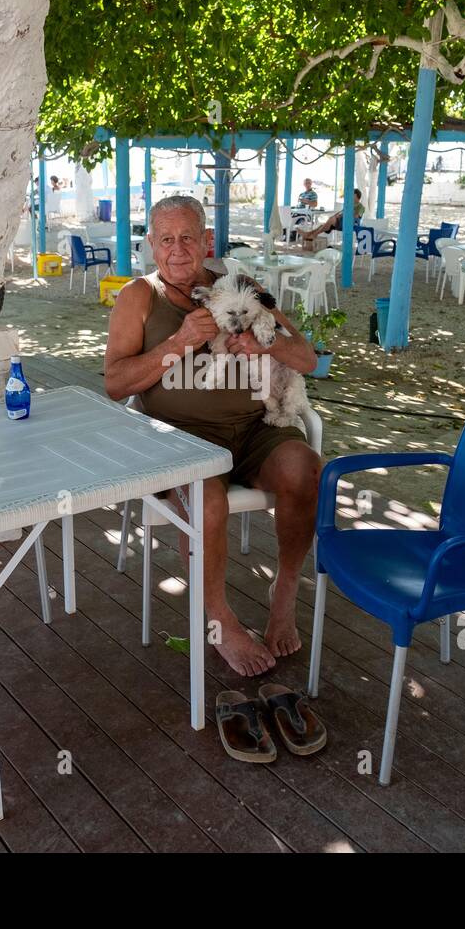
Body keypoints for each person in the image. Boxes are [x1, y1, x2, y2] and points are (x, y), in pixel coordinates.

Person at [104, 195, 322, 677]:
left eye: (187, 237)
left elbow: (306, 359)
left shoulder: (239, 287)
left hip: (253, 429)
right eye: (166, 240)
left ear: (206, 241)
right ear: (152, 246)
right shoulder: (139, 296)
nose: (177, 250)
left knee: (307, 471)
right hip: (177, 438)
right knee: (206, 501)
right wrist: (178, 342)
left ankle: (283, 591)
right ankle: (220, 621)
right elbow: (116, 384)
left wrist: (266, 342)